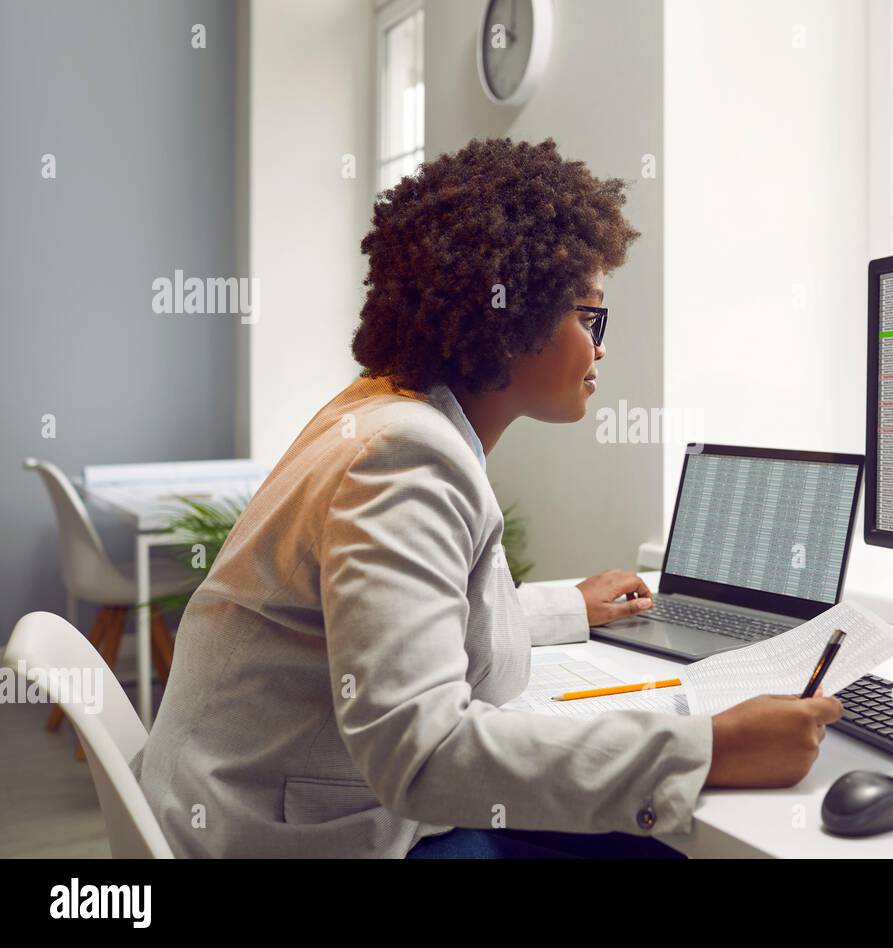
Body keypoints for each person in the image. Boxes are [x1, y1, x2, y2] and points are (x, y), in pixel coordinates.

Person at [130, 137, 841, 858]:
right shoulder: (405, 459)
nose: (601, 349)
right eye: (588, 316)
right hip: (290, 838)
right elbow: (425, 753)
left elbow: (402, 618)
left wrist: (569, 607)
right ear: (512, 320)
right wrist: (708, 749)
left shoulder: (382, 413)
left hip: (243, 802)